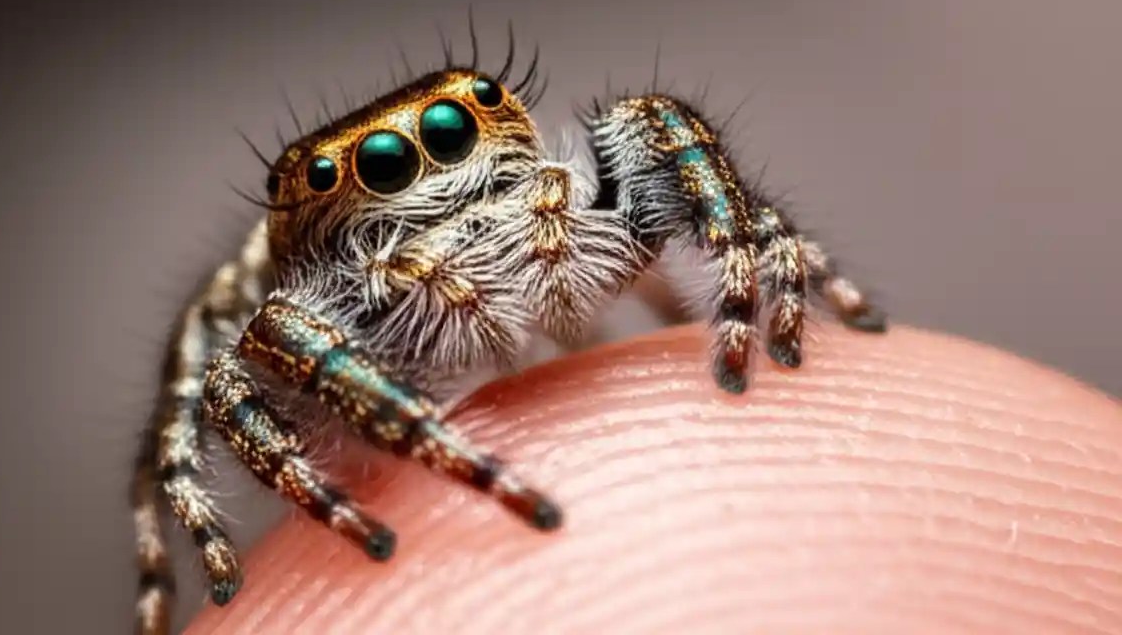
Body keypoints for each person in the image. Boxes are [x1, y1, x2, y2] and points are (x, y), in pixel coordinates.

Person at [186, 324, 1122, 633]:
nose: (425, 186)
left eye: (454, 139)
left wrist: (769, 282)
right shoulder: (290, 307)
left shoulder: (556, 195)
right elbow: (216, 375)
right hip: (354, 351)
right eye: (384, 175)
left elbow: (669, 141)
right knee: (225, 360)